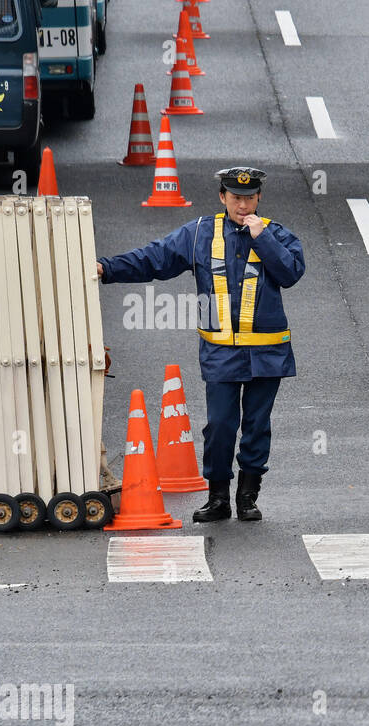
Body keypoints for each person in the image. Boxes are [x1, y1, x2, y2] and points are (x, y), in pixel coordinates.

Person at [96, 166, 305, 522]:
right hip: (222, 353)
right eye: (235, 198)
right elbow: (154, 259)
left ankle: (248, 497)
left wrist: (262, 238)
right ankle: (219, 497)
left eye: (249, 197)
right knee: (221, 425)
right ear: (222, 197)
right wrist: (107, 268)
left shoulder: (277, 234)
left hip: (268, 354)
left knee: (257, 425)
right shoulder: (199, 234)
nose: (243, 204)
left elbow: (291, 273)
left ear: (259, 198)